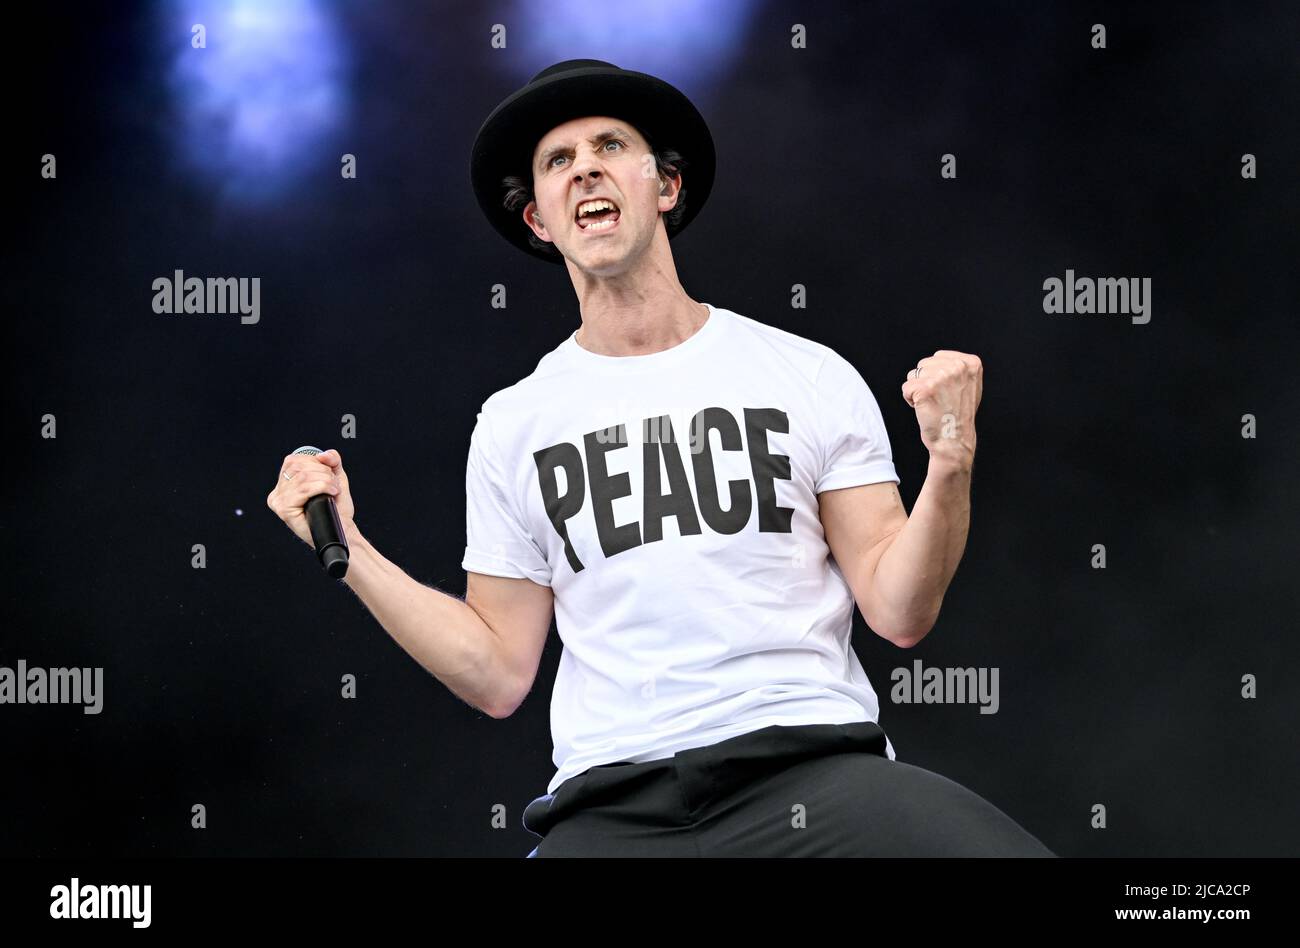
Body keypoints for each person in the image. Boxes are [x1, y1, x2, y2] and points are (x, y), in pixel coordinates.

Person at [267, 59, 1054, 858]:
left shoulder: (807, 373)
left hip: (812, 778)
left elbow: (900, 609)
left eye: (610, 145)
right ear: (539, 221)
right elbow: (498, 672)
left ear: (665, 188)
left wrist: (948, 466)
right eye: (558, 162)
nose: (586, 171)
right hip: (614, 810)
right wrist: (353, 552)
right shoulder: (514, 423)